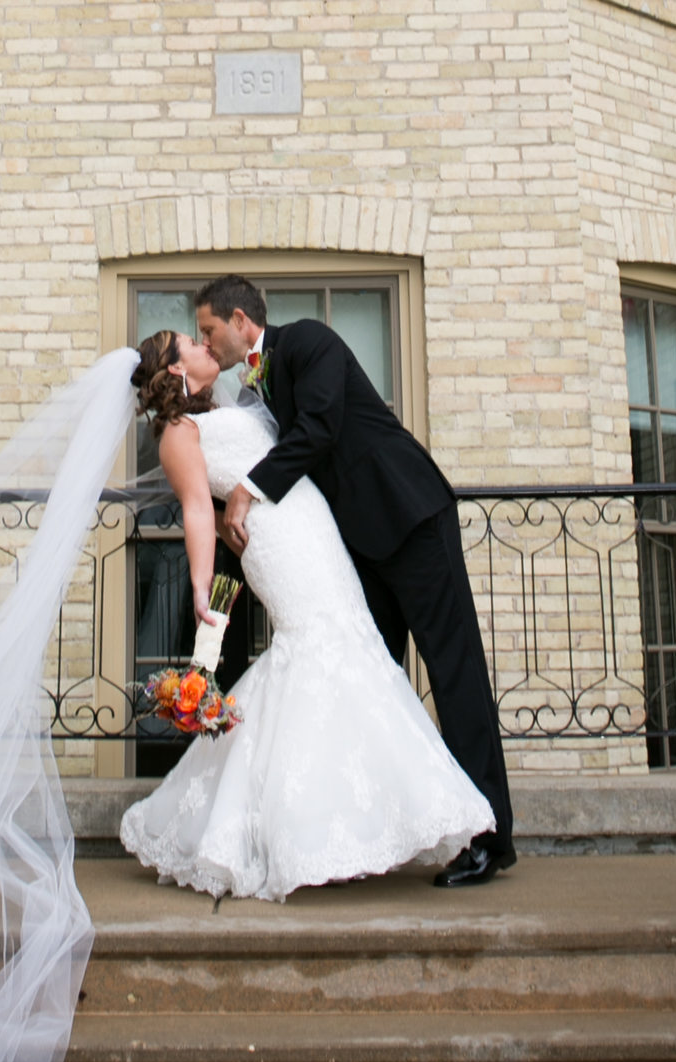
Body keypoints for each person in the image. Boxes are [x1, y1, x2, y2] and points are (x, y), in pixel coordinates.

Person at [119, 332, 494, 900]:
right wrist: (202, 588)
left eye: (201, 333)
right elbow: (198, 509)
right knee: (317, 651)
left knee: (351, 646)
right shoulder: (177, 432)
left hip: (316, 533)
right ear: (173, 372)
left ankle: (350, 820)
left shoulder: (221, 407)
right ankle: (302, 831)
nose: (202, 344)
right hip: (279, 546)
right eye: (189, 343)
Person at [199, 274, 515, 886]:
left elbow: (316, 430)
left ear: (240, 320)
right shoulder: (247, 388)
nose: (207, 343)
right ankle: (383, 830)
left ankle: (491, 837)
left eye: (210, 330)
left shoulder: (309, 342)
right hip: (360, 545)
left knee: (454, 672)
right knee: (375, 680)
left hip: (410, 514)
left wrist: (246, 489)